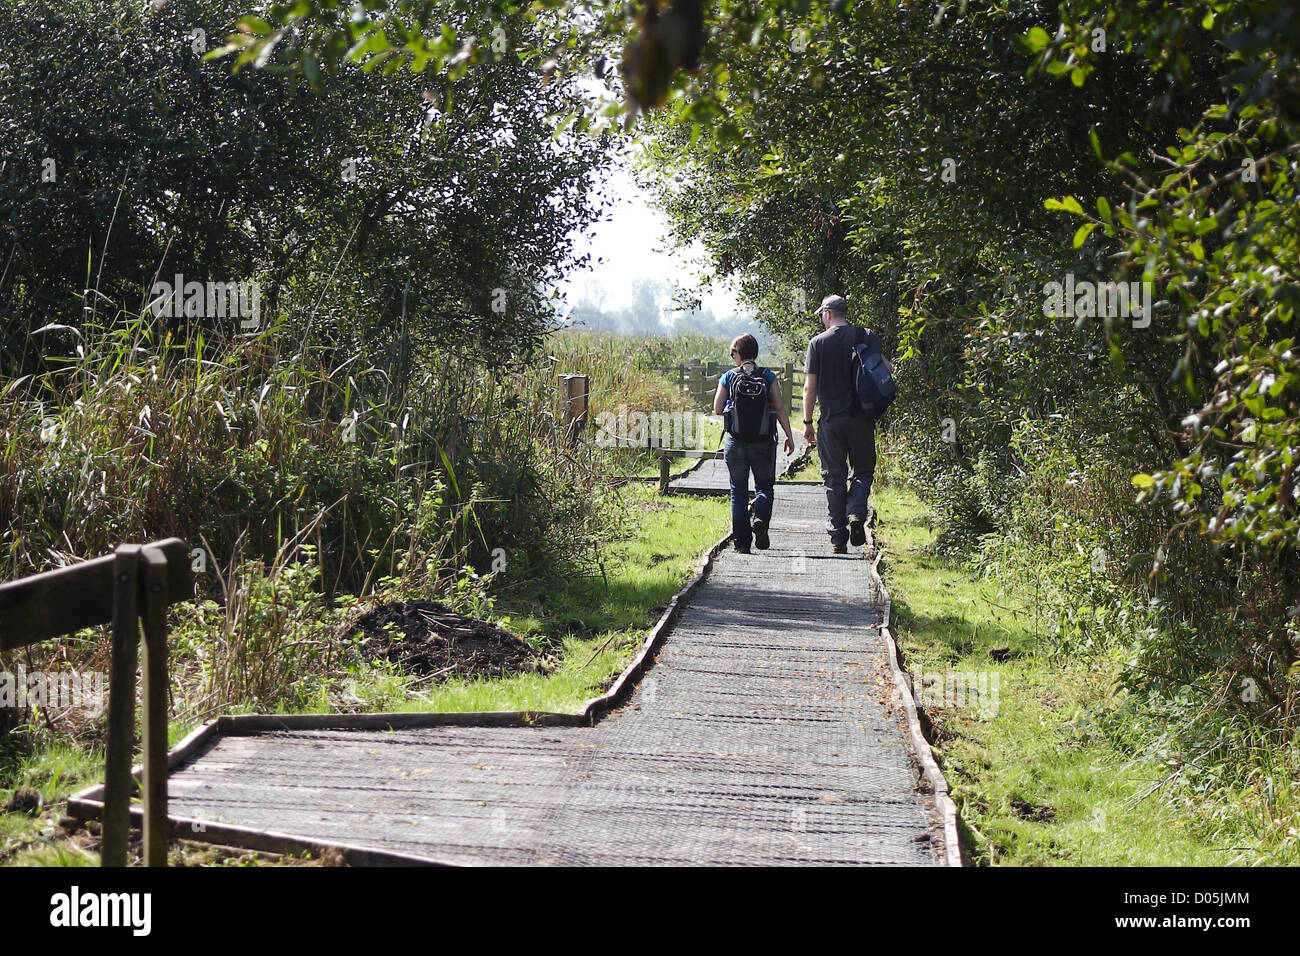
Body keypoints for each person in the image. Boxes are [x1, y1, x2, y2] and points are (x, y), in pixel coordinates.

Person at [801, 294, 888, 553]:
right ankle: (856, 514)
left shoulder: (817, 343)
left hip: (831, 420)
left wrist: (807, 422)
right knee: (862, 470)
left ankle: (838, 538)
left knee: (833, 477)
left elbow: (809, 387)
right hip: (861, 419)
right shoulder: (865, 336)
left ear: (827, 314)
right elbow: (885, 368)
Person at [713, 333, 795, 554]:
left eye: (733, 352)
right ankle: (760, 519)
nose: (732, 357)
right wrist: (789, 434)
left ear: (739, 354)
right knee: (765, 486)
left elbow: (717, 409)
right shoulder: (767, 376)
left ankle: (741, 544)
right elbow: (779, 408)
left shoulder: (728, 377)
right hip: (763, 442)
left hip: (736, 441)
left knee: (738, 492)